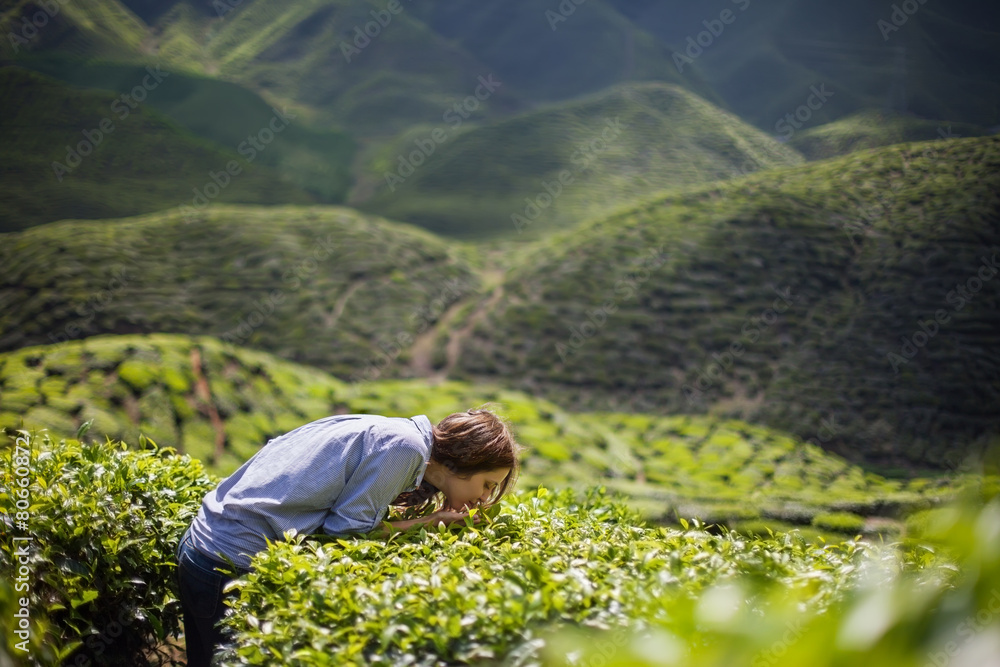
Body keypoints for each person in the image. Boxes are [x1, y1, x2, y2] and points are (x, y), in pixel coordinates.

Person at [175, 407, 521, 666]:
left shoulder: (400, 435)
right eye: (487, 484)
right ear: (462, 462)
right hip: (225, 560)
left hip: (207, 543)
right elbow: (347, 532)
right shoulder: (407, 449)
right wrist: (430, 522)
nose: (484, 497)